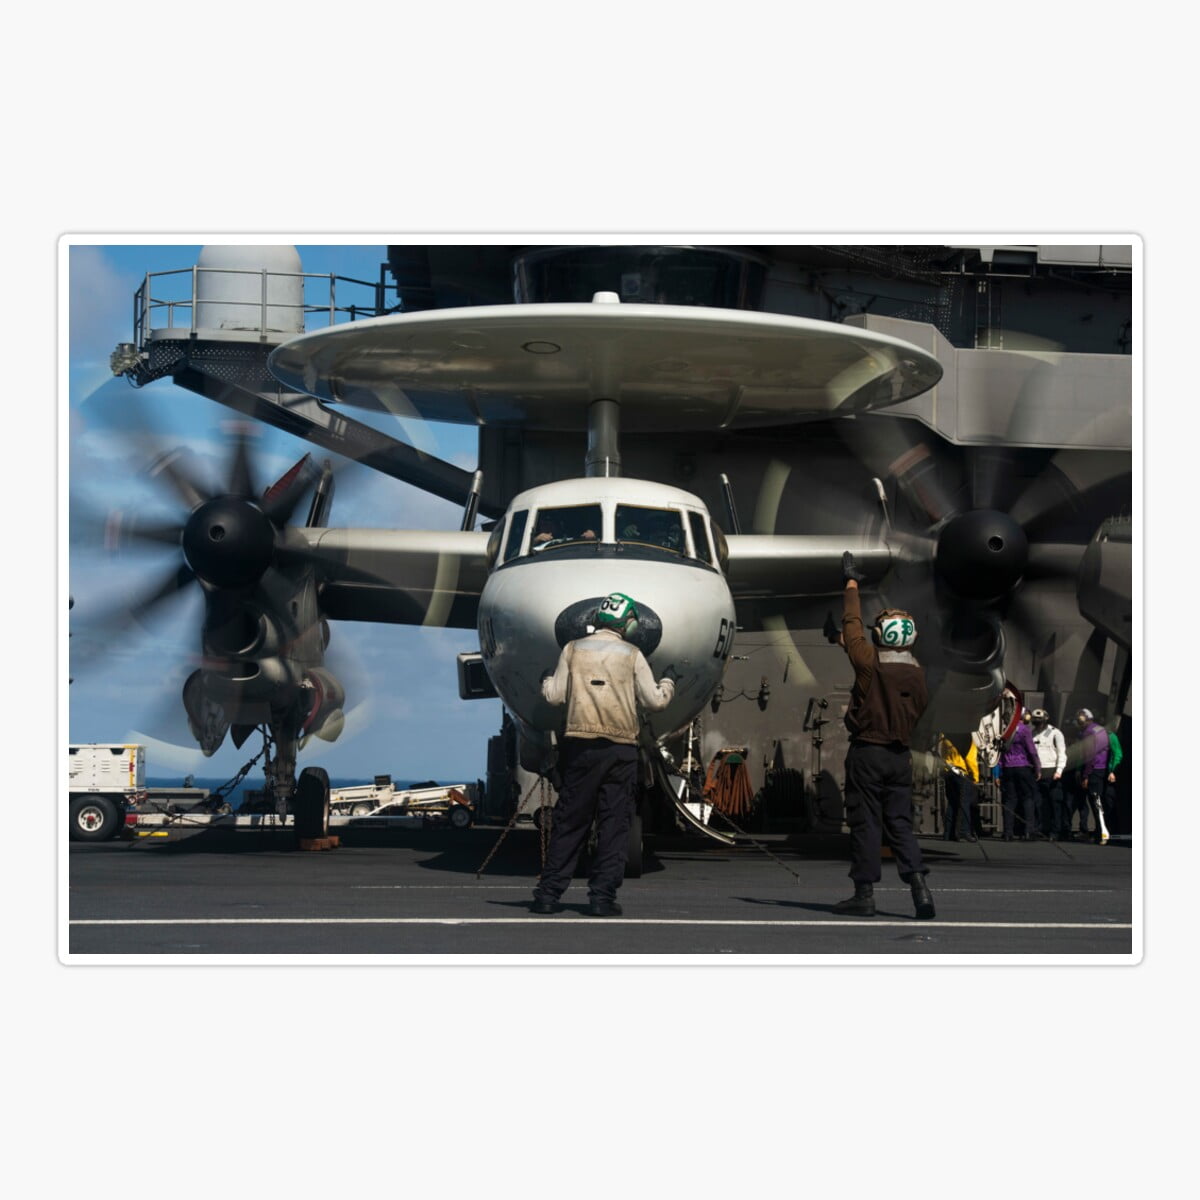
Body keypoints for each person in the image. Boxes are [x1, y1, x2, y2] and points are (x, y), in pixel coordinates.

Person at [531, 592, 676, 916]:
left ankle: (548, 895)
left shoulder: (572, 650)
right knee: (614, 825)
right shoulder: (633, 654)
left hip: (579, 747)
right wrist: (669, 682)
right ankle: (601, 899)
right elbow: (655, 702)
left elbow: (554, 696)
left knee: (570, 821)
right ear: (628, 623)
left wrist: (545, 680)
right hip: (621, 749)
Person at [833, 552, 935, 919]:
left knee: (866, 823)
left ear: (880, 637)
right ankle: (919, 889)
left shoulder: (868, 663)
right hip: (899, 757)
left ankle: (864, 895)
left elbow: (852, 624)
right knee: (900, 823)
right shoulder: (919, 674)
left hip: (867, 754)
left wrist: (851, 583)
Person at [999, 708, 1041, 840]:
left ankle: (1008, 833)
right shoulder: (1024, 729)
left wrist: (998, 771)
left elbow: (998, 752)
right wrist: (1037, 767)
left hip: (1007, 767)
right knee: (1028, 798)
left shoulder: (1004, 729)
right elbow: (1031, 750)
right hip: (1022, 766)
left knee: (1010, 800)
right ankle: (1028, 831)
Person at [1074, 708, 1112, 845]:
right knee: (1097, 803)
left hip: (1093, 771)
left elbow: (1089, 755)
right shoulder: (1100, 729)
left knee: (1096, 804)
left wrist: (1085, 776)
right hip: (1100, 770)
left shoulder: (1088, 732)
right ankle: (1099, 833)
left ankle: (1102, 834)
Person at [1030, 708, 1068, 839]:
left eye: (1040, 720)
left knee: (1055, 802)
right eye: (1035, 721)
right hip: (1038, 771)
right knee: (1039, 803)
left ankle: (1055, 831)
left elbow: (1062, 753)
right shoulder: (1032, 733)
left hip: (1052, 771)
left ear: (1046, 719)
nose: (1038, 723)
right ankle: (1041, 829)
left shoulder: (1055, 733)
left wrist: (1059, 770)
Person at [937, 733, 978, 842]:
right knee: (964, 803)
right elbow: (971, 759)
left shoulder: (944, 737)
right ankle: (964, 831)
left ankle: (948, 833)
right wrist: (975, 777)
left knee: (952, 802)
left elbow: (941, 753)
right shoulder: (967, 738)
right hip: (962, 772)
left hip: (948, 771)